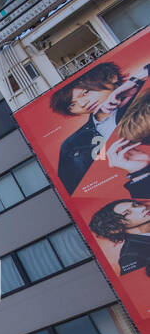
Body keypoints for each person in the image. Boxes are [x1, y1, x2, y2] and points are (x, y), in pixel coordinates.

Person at [50, 61, 147, 194]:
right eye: (72, 105)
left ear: (111, 77)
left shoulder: (143, 100)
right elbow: (74, 193)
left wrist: (136, 80)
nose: (83, 104)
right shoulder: (72, 145)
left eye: (85, 93)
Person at [89, 198, 150, 276]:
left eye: (136, 205)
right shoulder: (131, 255)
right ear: (116, 228)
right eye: (126, 213)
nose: (142, 208)